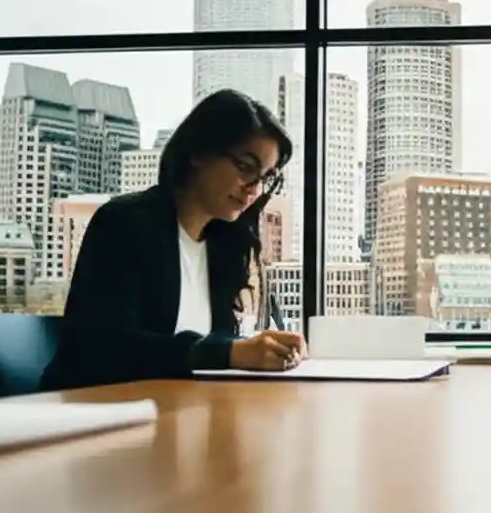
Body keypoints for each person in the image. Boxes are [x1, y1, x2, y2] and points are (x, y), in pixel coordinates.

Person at [41, 89, 308, 391]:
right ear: (199, 153)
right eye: (245, 166)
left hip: (175, 411)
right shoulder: (124, 223)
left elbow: (210, 351)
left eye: (264, 177)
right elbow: (106, 347)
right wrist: (230, 352)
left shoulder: (225, 245)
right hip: (97, 413)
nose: (253, 189)